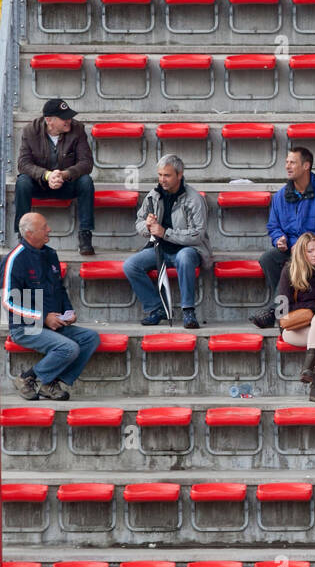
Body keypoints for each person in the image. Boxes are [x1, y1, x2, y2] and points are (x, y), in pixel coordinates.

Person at [2, 212, 100, 401]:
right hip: (26, 327)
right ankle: (26, 377)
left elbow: (60, 290)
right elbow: (8, 301)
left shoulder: (50, 254)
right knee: (69, 348)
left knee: (91, 338)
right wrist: (43, 317)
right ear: (29, 233)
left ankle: (49, 384)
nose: (49, 230)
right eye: (44, 227)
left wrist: (68, 312)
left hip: (52, 323)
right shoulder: (15, 259)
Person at [250, 147, 315, 329]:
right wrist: (279, 238)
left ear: (306, 166)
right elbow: (273, 226)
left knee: (298, 260)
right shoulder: (280, 196)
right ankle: (286, 307)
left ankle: (278, 311)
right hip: (291, 249)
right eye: (286, 162)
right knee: (268, 258)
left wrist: (306, 244)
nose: (287, 166)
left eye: (292, 162)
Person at [123, 156, 212, 328]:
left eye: (167, 175)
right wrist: (147, 226)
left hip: (190, 248)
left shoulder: (194, 199)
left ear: (179, 175)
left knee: (185, 257)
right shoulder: (153, 195)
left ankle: (188, 311)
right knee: (130, 265)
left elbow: (197, 234)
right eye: (160, 175)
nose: (162, 179)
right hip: (159, 249)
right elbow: (139, 223)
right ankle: (156, 308)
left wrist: (165, 233)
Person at [15, 99, 95, 256]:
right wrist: (47, 175)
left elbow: (86, 163)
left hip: (66, 184)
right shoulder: (30, 130)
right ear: (49, 120)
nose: (69, 121)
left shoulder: (77, 129)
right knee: (22, 181)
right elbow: (23, 164)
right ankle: (22, 236)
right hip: (40, 185)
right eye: (64, 118)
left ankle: (85, 234)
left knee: (86, 181)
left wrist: (64, 174)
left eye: (69, 117)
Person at [276, 233, 315, 403]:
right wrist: (314, 304)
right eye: (310, 251)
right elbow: (281, 311)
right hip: (293, 329)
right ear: (302, 253)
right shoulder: (288, 271)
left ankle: (308, 367)